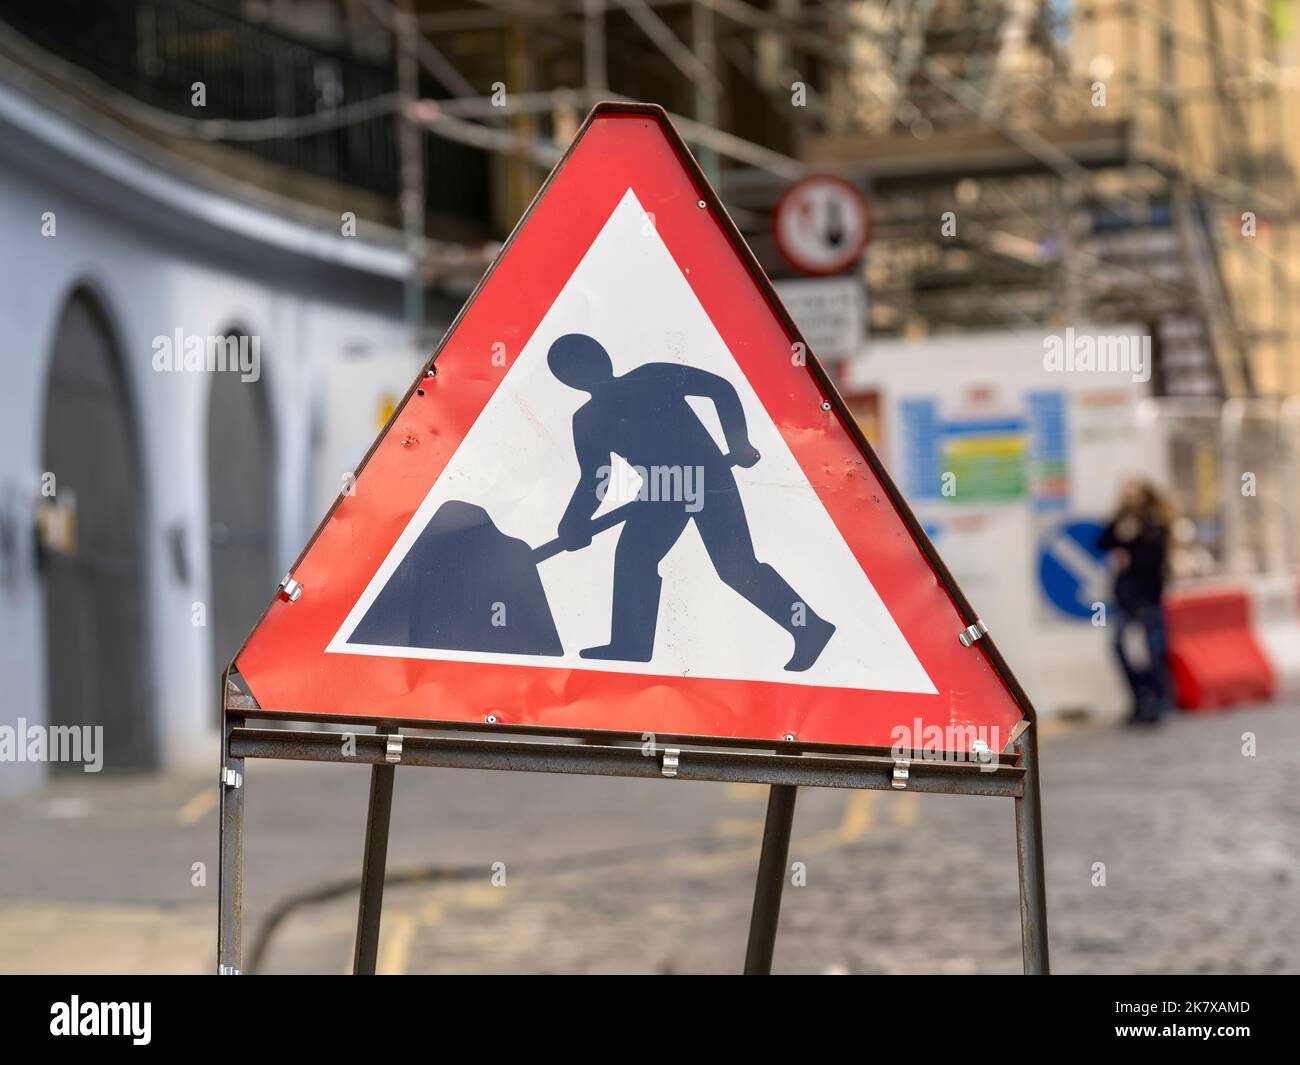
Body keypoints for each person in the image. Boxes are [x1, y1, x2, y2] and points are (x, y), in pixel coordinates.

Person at [548, 332, 835, 671]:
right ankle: (630, 644)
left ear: (601, 358)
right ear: (567, 380)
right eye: (572, 368)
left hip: (707, 477)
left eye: (584, 361)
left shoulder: (651, 376)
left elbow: (719, 388)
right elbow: (597, 476)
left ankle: (810, 628)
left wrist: (738, 442)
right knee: (632, 559)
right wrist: (574, 521)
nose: (582, 371)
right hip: (661, 491)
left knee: (736, 567)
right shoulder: (586, 420)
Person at [1098, 478, 1174, 723]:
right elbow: (1102, 542)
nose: (1130, 499)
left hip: (1149, 596)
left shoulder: (1154, 522)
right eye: (1126, 494)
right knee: (1120, 646)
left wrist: (1129, 551)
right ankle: (1140, 698)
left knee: (1153, 650)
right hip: (1125, 597)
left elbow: (1155, 557)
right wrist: (1120, 531)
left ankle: (1159, 700)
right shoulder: (1122, 521)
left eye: (1135, 494)